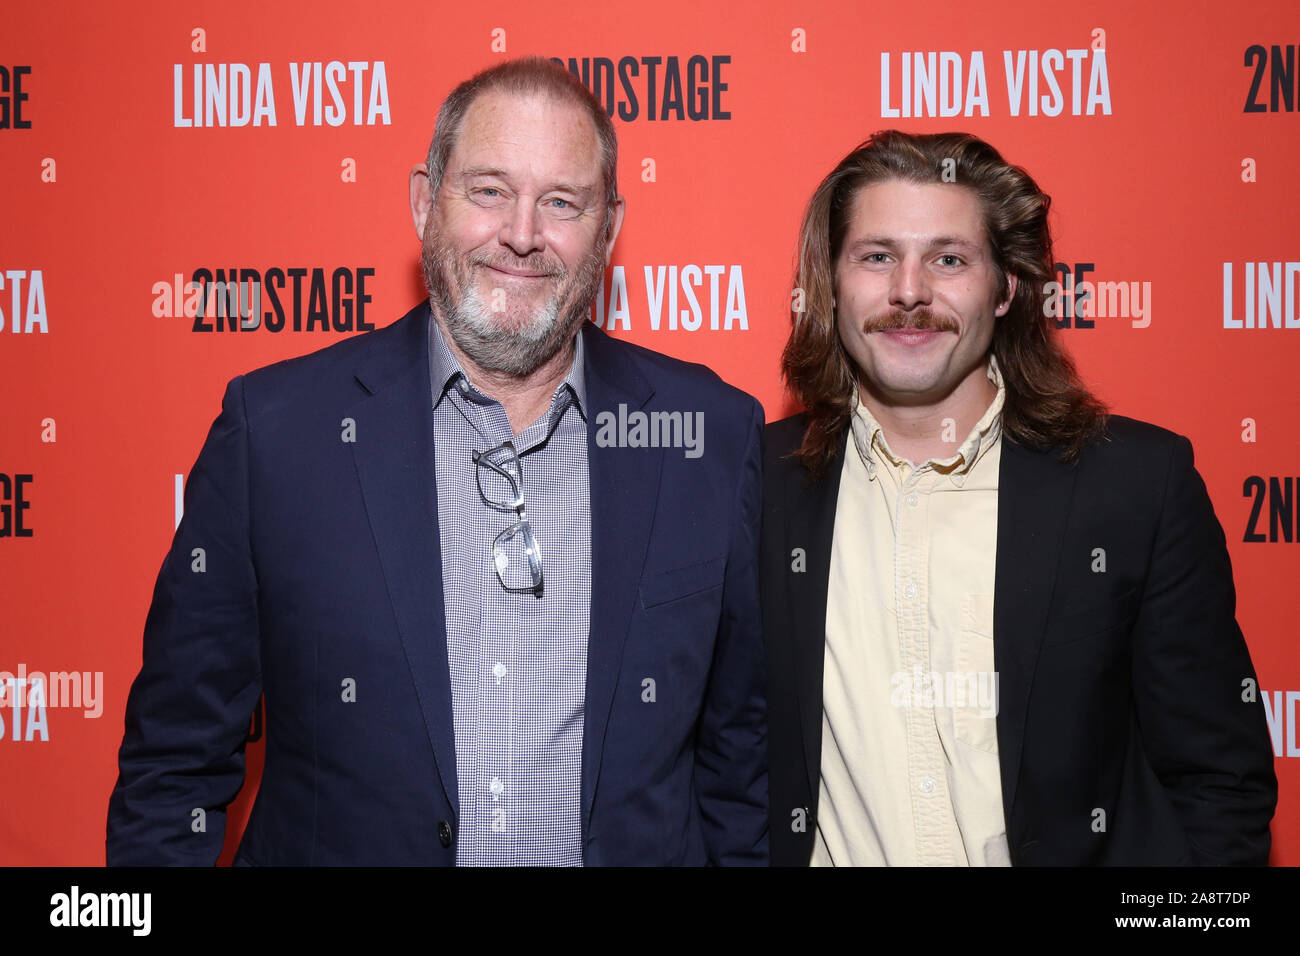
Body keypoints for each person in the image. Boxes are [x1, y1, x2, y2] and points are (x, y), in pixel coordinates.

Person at [107, 56, 767, 866]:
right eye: (488, 190)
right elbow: (174, 764)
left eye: (562, 202)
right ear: (426, 201)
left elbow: (744, 770)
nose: (522, 234)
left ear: (609, 228)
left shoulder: (708, 435)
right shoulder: (278, 433)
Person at [761, 130, 1277, 866]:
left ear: (1006, 287)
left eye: (949, 259)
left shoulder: (1133, 486)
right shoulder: (757, 491)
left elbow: (1218, 784)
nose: (910, 291)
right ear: (831, 285)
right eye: (877, 257)